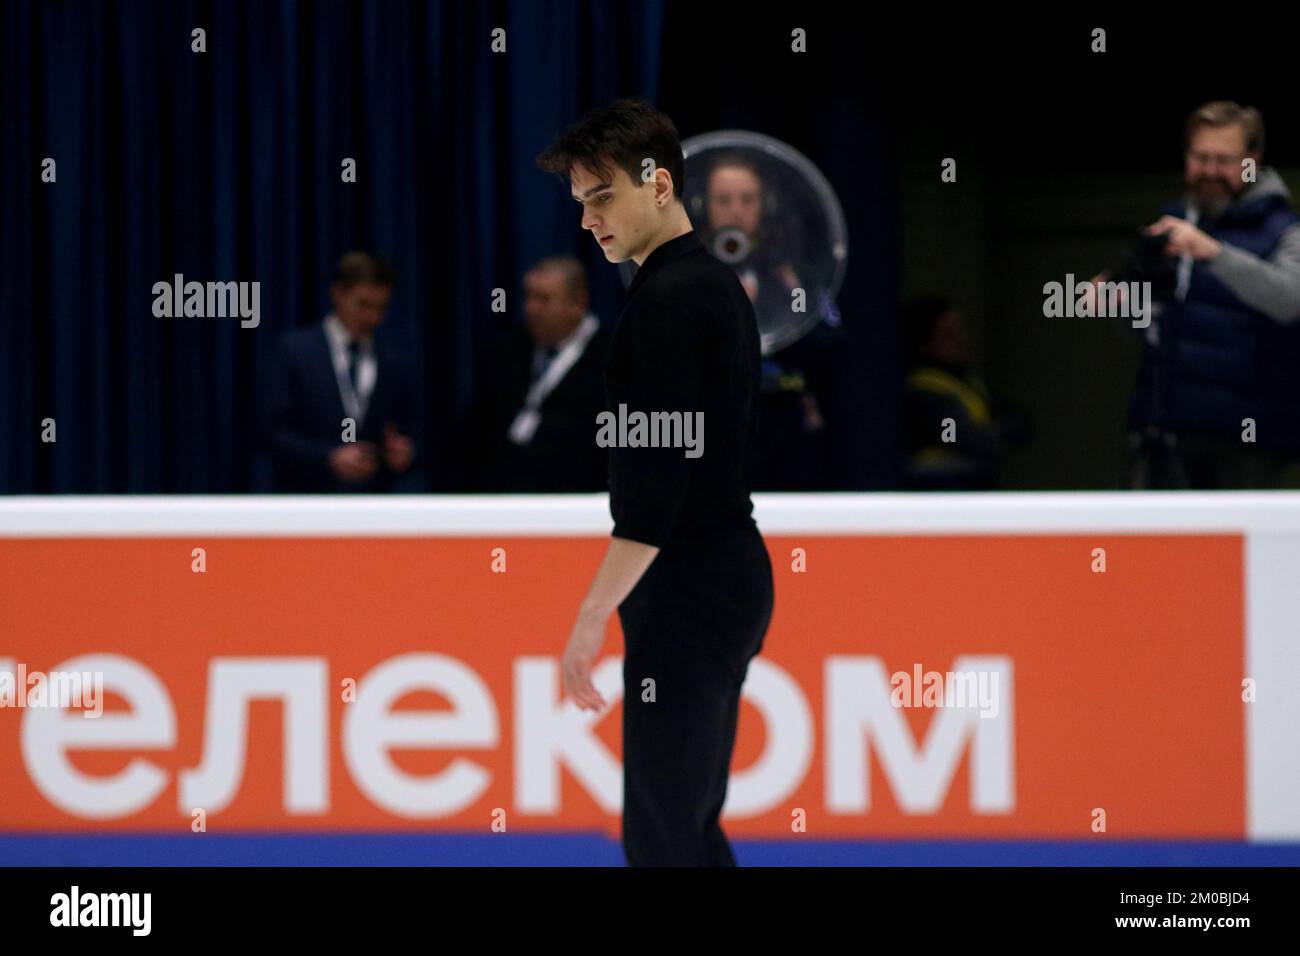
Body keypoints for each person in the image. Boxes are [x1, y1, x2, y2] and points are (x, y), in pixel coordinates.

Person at [536, 98, 774, 866]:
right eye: (580, 203)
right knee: (684, 825)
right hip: (722, 573)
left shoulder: (666, 305)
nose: (588, 220)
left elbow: (655, 489)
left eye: (602, 196)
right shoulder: (711, 286)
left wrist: (589, 616)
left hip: (689, 582)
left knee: (665, 834)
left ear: (661, 186)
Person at [1090, 101, 1300, 488]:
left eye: (1223, 160)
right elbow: (1153, 322)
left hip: (1247, 441)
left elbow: (1290, 300)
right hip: (1162, 433)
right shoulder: (1172, 222)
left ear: (1252, 160)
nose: (1209, 172)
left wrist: (1215, 253)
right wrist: (1116, 300)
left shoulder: (1284, 228)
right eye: (1200, 158)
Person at [265, 251, 419, 492]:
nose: (372, 317)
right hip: (307, 503)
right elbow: (270, 434)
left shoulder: (395, 360)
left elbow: (415, 434)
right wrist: (327, 456)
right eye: (363, 304)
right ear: (338, 292)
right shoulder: (295, 352)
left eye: (381, 308)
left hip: (374, 505)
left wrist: (404, 452)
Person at [462, 256, 609, 492]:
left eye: (543, 299)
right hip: (503, 506)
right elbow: (474, 438)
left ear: (578, 303)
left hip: (580, 509)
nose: (531, 308)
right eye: (528, 296)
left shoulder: (615, 359)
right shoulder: (506, 353)